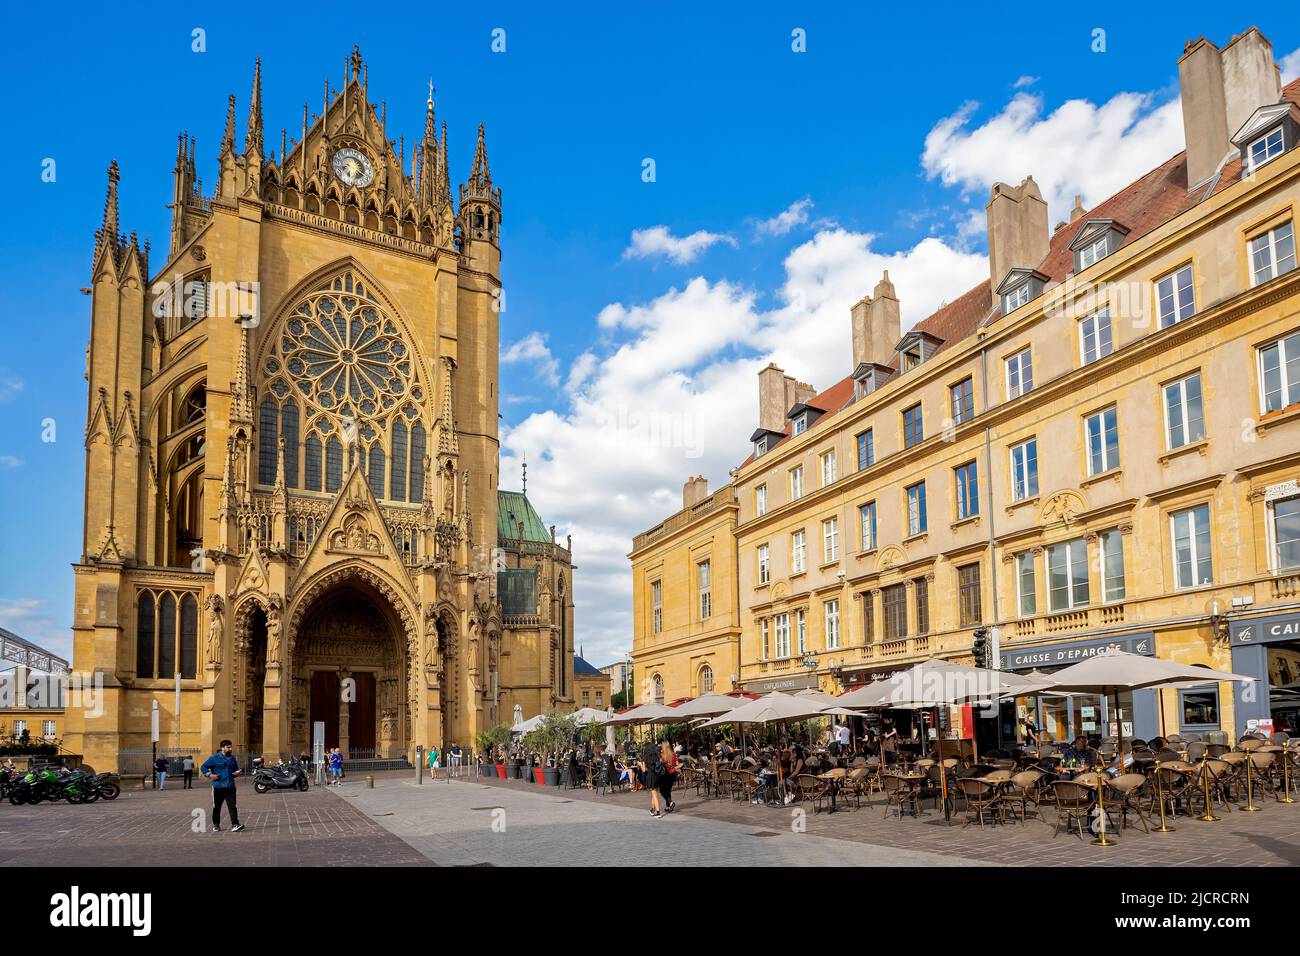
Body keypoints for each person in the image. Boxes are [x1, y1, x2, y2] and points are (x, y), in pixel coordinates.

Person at [201, 740, 245, 832]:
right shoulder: (214, 758)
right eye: (228, 747)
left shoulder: (232, 759)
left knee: (233, 806)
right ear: (222, 748)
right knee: (217, 807)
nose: (230, 749)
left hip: (230, 786)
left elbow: (235, 770)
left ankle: (235, 824)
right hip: (218, 787)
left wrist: (236, 773)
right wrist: (210, 775)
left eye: (231, 747)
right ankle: (216, 825)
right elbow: (203, 767)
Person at [639, 739, 663, 817]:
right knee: (654, 793)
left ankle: (658, 812)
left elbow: (643, 770)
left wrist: (640, 764)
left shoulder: (645, 758)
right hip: (657, 776)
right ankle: (652, 809)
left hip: (651, 776)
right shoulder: (657, 756)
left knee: (654, 794)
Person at [657, 740, 679, 813]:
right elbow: (677, 763)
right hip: (673, 774)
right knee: (668, 790)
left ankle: (671, 802)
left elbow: (660, 764)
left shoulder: (662, 755)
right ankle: (668, 807)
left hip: (665, 774)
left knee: (662, 790)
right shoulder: (673, 754)